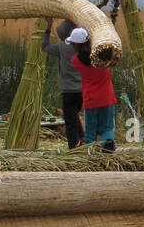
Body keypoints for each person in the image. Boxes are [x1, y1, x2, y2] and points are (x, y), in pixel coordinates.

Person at [67, 27, 116, 151]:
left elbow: (83, 58)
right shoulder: (103, 57)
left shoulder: (76, 60)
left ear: (77, 45)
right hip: (108, 98)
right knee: (107, 128)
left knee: (90, 132)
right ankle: (108, 142)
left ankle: (90, 154)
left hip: (91, 100)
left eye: (73, 44)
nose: (72, 46)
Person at [42, 18, 84, 148]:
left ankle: (73, 148)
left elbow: (45, 47)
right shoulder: (84, 47)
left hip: (69, 92)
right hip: (83, 91)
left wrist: (48, 29)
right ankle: (82, 139)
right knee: (74, 117)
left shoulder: (61, 47)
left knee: (70, 122)